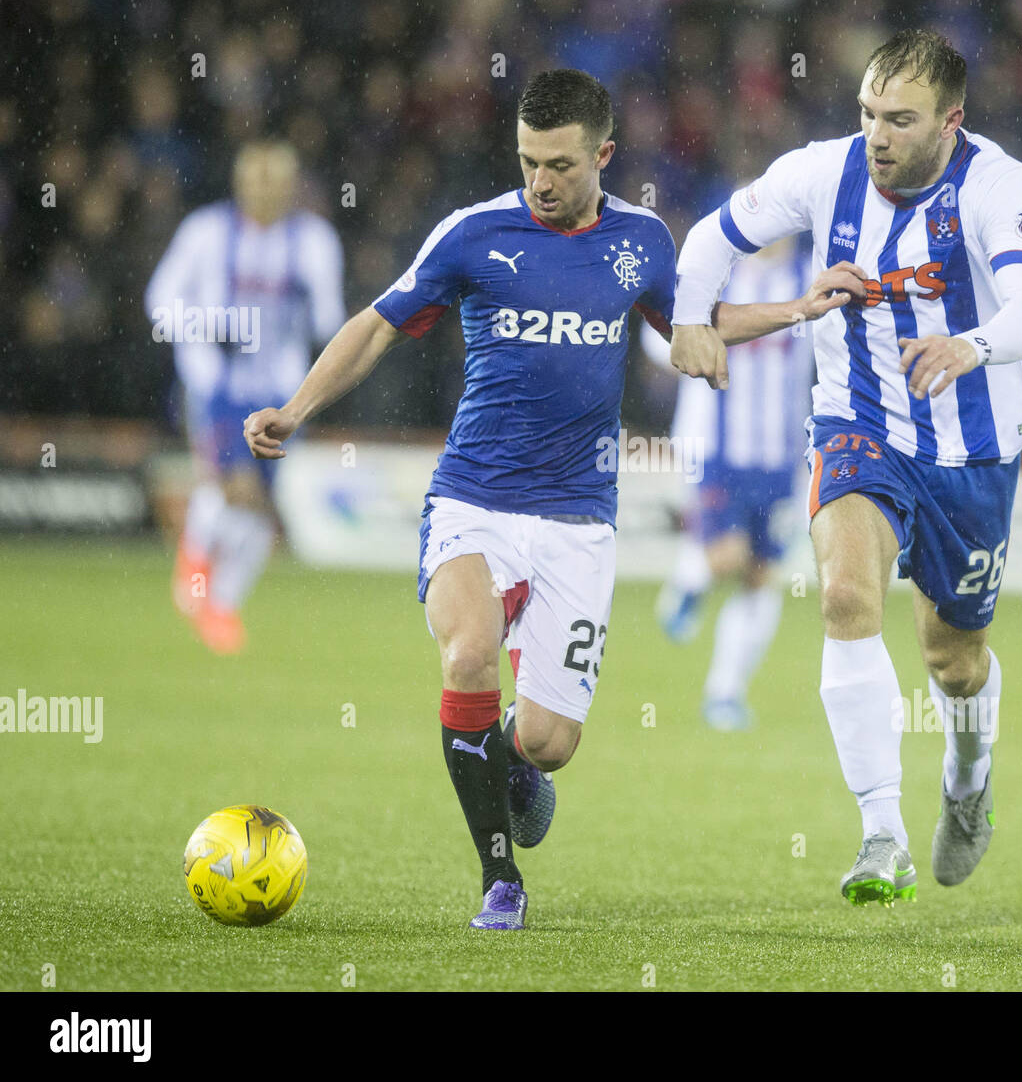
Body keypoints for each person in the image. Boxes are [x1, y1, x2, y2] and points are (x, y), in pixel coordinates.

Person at [242, 69, 685, 930]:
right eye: (526, 162)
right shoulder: (474, 233)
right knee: (468, 654)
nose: (540, 181)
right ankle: (500, 877)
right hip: (472, 496)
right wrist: (296, 409)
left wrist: (800, 312)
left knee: (552, 742)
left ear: (604, 154)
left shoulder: (644, 242)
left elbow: (700, 325)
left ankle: (514, 757)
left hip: (578, 517)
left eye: (559, 164)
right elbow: (376, 322)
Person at [669, 29, 1022, 906]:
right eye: (869, 113)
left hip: (972, 449)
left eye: (901, 120)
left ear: (952, 122)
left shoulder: (997, 184)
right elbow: (710, 236)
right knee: (845, 595)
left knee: (952, 659)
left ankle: (968, 776)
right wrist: (693, 316)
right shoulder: (825, 171)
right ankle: (881, 830)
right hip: (859, 422)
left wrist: (969, 342)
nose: (878, 135)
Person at [147, 141, 345, 654]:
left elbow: (330, 321)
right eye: (256, 182)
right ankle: (193, 566)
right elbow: (160, 302)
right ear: (240, 184)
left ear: (290, 187)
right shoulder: (206, 232)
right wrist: (215, 326)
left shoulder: (314, 241)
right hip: (215, 385)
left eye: (275, 182)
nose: (264, 192)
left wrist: (305, 298)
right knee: (233, 486)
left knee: (259, 508)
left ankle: (220, 602)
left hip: (283, 391)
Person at [644, 237, 814, 730]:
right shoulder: (715, 275)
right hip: (716, 450)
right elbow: (660, 337)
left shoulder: (810, 275)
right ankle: (689, 578)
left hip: (781, 454)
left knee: (761, 575)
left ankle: (725, 693)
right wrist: (688, 340)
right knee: (728, 556)